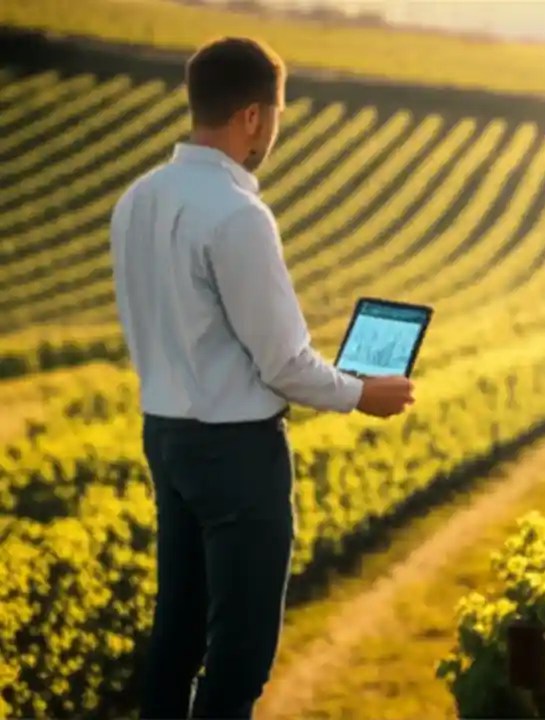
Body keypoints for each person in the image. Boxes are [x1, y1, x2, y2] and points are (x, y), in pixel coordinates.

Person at [108, 36, 416, 719]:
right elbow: (282, 362)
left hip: (165, 436)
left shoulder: (136, 199)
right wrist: (362, 393)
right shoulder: (238, 215)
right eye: (275, 117)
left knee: (176, 638)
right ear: (253, 117)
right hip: (236, 454)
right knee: (240, 658)